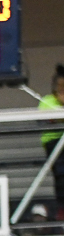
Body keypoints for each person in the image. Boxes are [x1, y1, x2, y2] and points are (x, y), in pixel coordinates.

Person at [40, 64, 64, 214]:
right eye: (60, 87)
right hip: (54, 143)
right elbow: (50, 118)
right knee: (60, 176)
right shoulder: (47, 101)